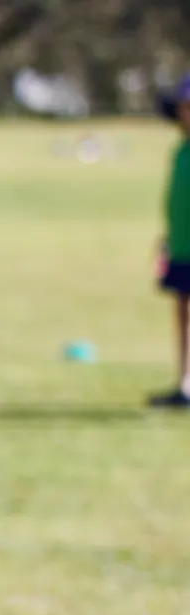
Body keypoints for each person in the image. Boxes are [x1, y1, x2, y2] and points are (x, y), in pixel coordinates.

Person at [149, 74, 190, 409]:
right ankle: (185, 384)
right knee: (182, 314)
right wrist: (167, 240)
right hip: (181, 247)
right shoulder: (180, 151)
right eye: (184, 108)